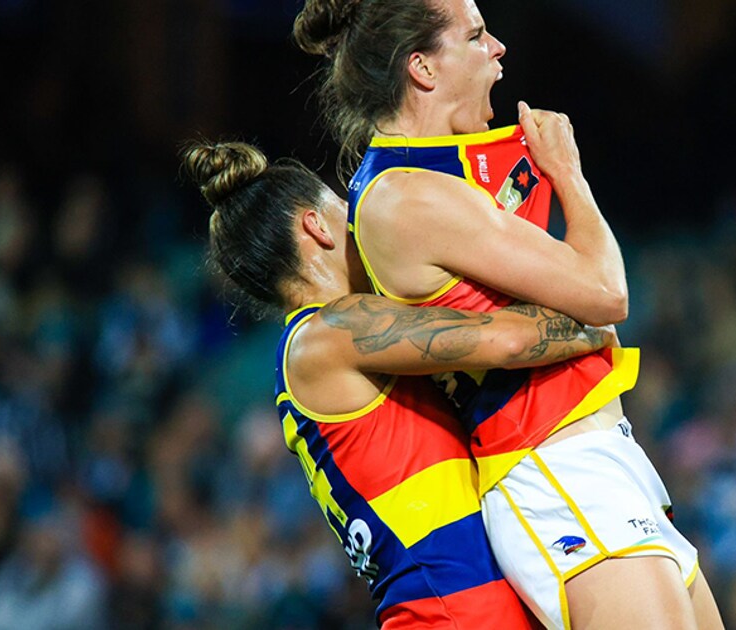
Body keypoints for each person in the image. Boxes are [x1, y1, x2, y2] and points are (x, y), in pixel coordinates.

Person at [293, 1, 725, 628]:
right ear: (423, 68)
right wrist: (570, 175)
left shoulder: (431, 179)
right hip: (555, 468)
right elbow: (607, 292)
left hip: (597, 457)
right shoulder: (405, 194)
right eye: (475, 36)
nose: (498, 49)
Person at [183, 140, 618, 628]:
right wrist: (597, 316)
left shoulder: (311, 350)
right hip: (456, 610)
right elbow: (508, 342)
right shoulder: (334, 331)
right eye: (345, 210)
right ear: (316, 226)